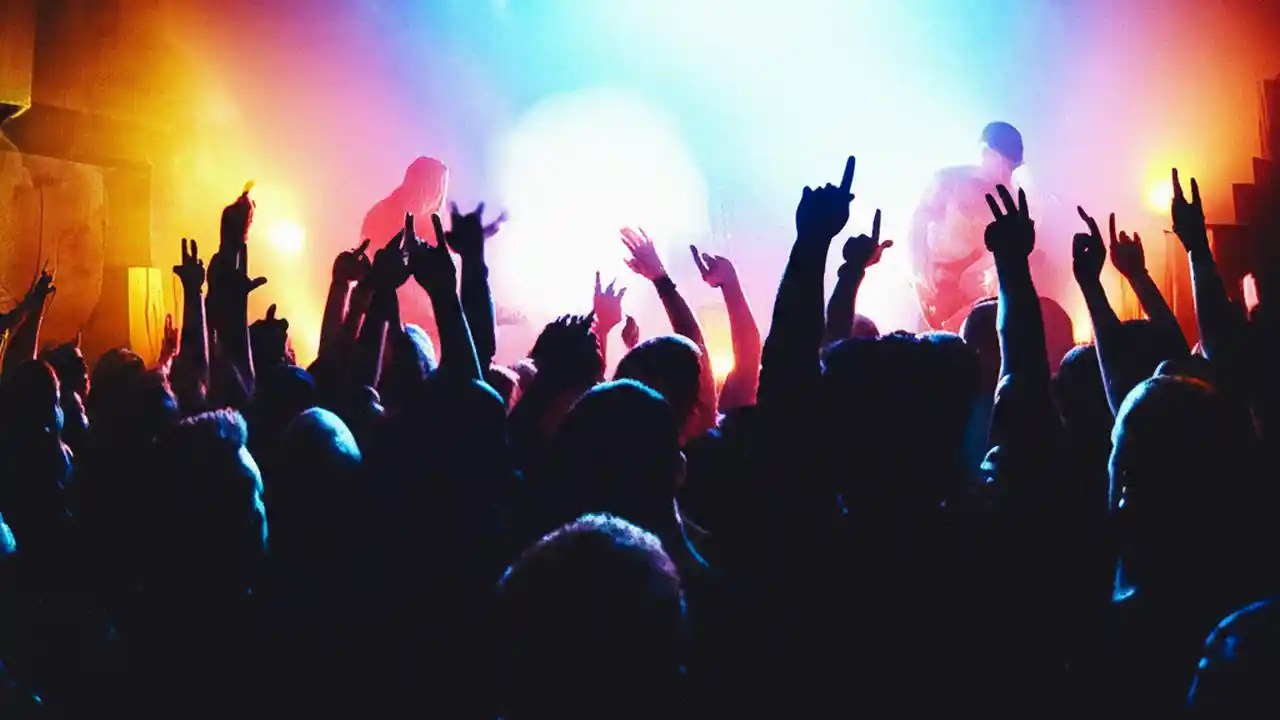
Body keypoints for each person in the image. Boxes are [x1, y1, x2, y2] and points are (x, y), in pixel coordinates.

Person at [909, 122, 1026, 331]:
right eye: (1005, 165)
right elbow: (918, 222)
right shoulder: (949, 180)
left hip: (975, 296)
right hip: (935, 283)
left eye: (1013, 168)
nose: (1008, 175)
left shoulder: (1011, 198)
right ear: (987, 153)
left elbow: (1005, 254)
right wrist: (919, 273)